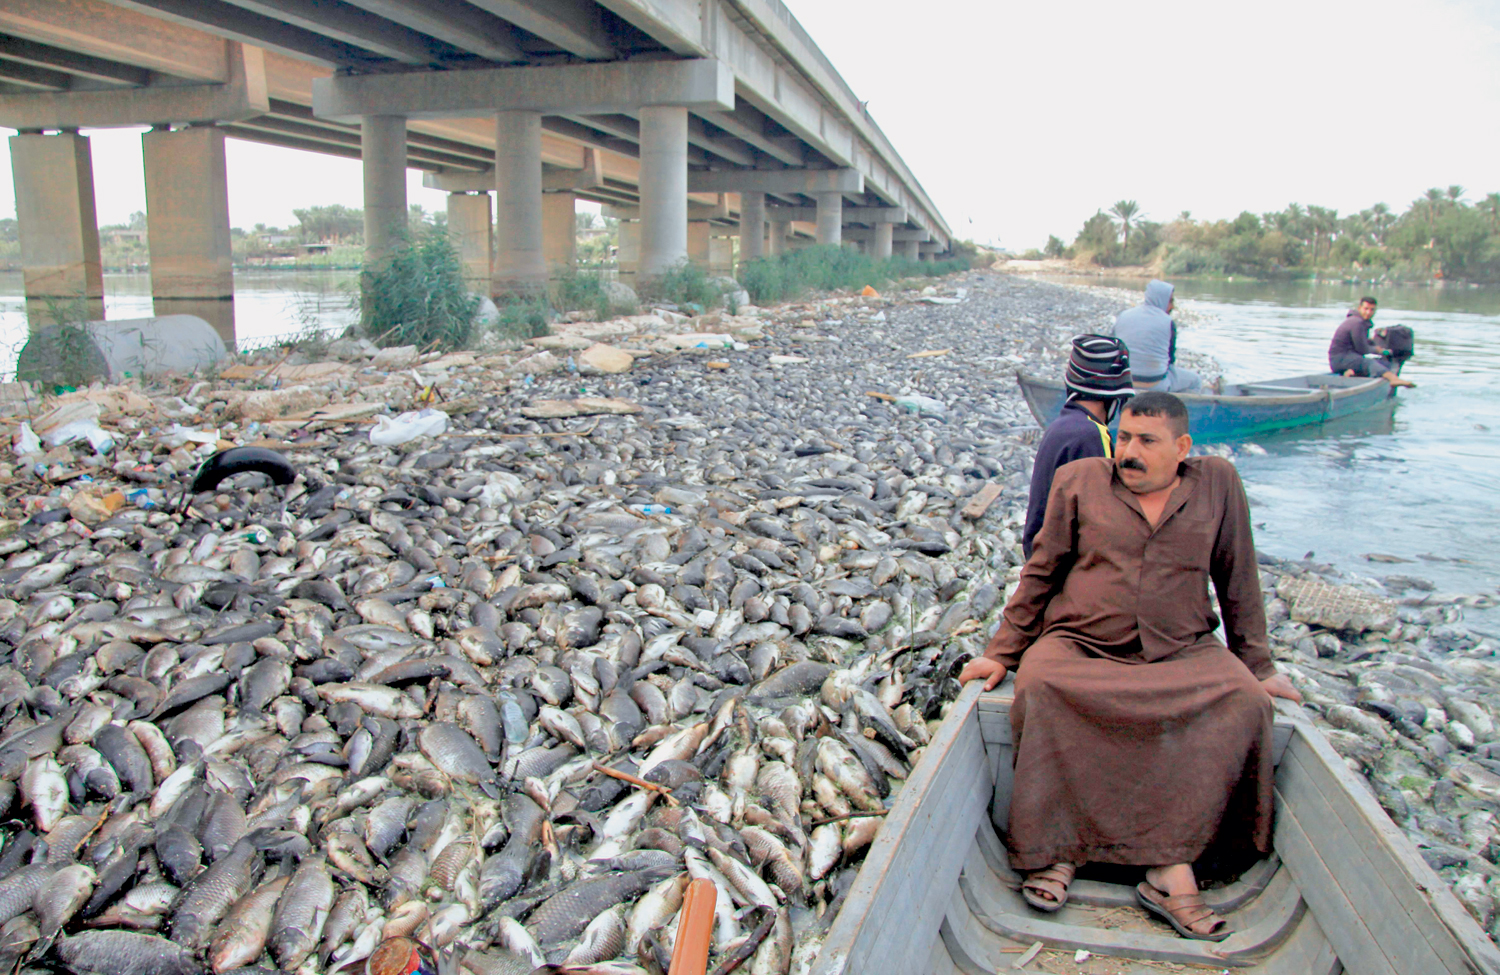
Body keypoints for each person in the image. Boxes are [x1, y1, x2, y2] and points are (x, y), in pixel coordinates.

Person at [959, 391, 1302, 942]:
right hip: (1082, 642)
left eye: (1147, 441)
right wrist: (1001, 652)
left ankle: (1171, 865)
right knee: (1043, 686)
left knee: (1243, 702)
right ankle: (1058, 848)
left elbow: (1238, 578)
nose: (1129, 452)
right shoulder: (1079, 480)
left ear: (1182, 447)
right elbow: (1041, 572)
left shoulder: (1217, 484)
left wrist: (1257, 665)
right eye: (1124, 438)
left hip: (1181, 649)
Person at [1021, 335, 1133, 558]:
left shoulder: (1063, 424)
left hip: (1038, 552)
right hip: (1058, 565)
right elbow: (1101, 517)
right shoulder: (1092, 435)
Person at [1112, 280, 1203, 393]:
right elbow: (1170, 360)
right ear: (1163, 300)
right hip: (1155, 383)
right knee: (1195, 382)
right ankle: (1175, 408)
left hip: (1122, 381)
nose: (1172, 306)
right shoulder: (1168, 322)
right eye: (1170, 301)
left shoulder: (1123, 315)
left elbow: (1112, 349)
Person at [1329, 297, 1416, 388]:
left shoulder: (1358, 322)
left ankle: (1349, 372)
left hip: (1343, 359)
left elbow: (1363, 342)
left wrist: (1375, 344)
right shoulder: (1357, 323)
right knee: (1369, 363)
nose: (1368, 312)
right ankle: (1393, 379)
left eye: (1372, 310)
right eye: (1366, 309)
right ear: (1359, 308)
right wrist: (1377, 350)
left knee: (1372, 363)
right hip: (1340, 359)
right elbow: (1362, 349)